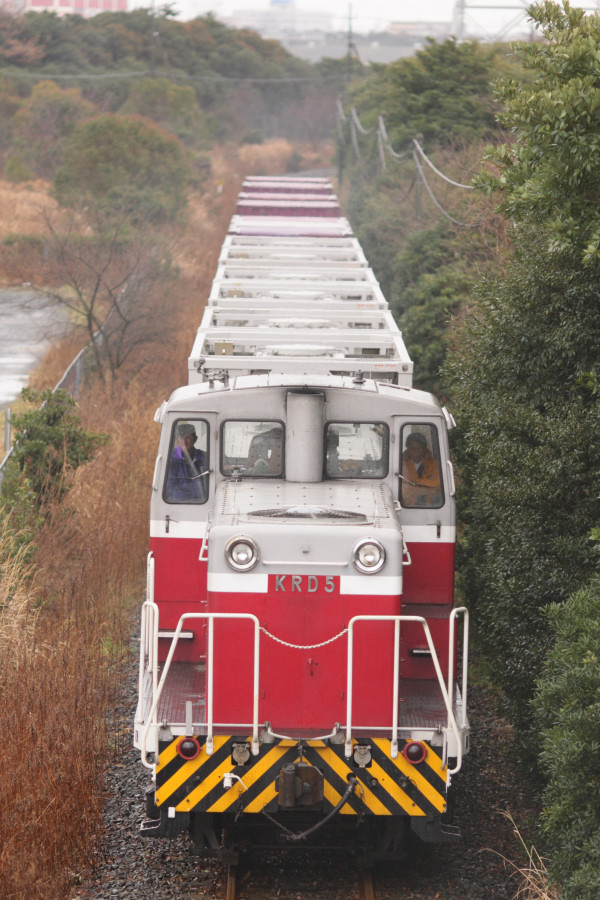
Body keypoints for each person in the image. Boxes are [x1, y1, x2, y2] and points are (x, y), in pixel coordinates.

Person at [165, 423, 208, 502]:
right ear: (177, 439)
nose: (184, 441)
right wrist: (193, 498)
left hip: (203, 503)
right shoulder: (170, 459)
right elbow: (169, 488)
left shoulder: (205, 457)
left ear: (195, 439)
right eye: (181, 437)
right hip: (179, 504)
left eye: (188, 437)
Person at [401, 432, 441, 507]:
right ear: (408, 449)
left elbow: (437, 484)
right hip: (406, 507)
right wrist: (425, 488)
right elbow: (401, 487)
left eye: (419, 448)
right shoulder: (401, 464)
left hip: (430, 507)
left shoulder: (434, 464)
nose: (416, 451)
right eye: (413, 449)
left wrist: (415, 482)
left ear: (424, 448)